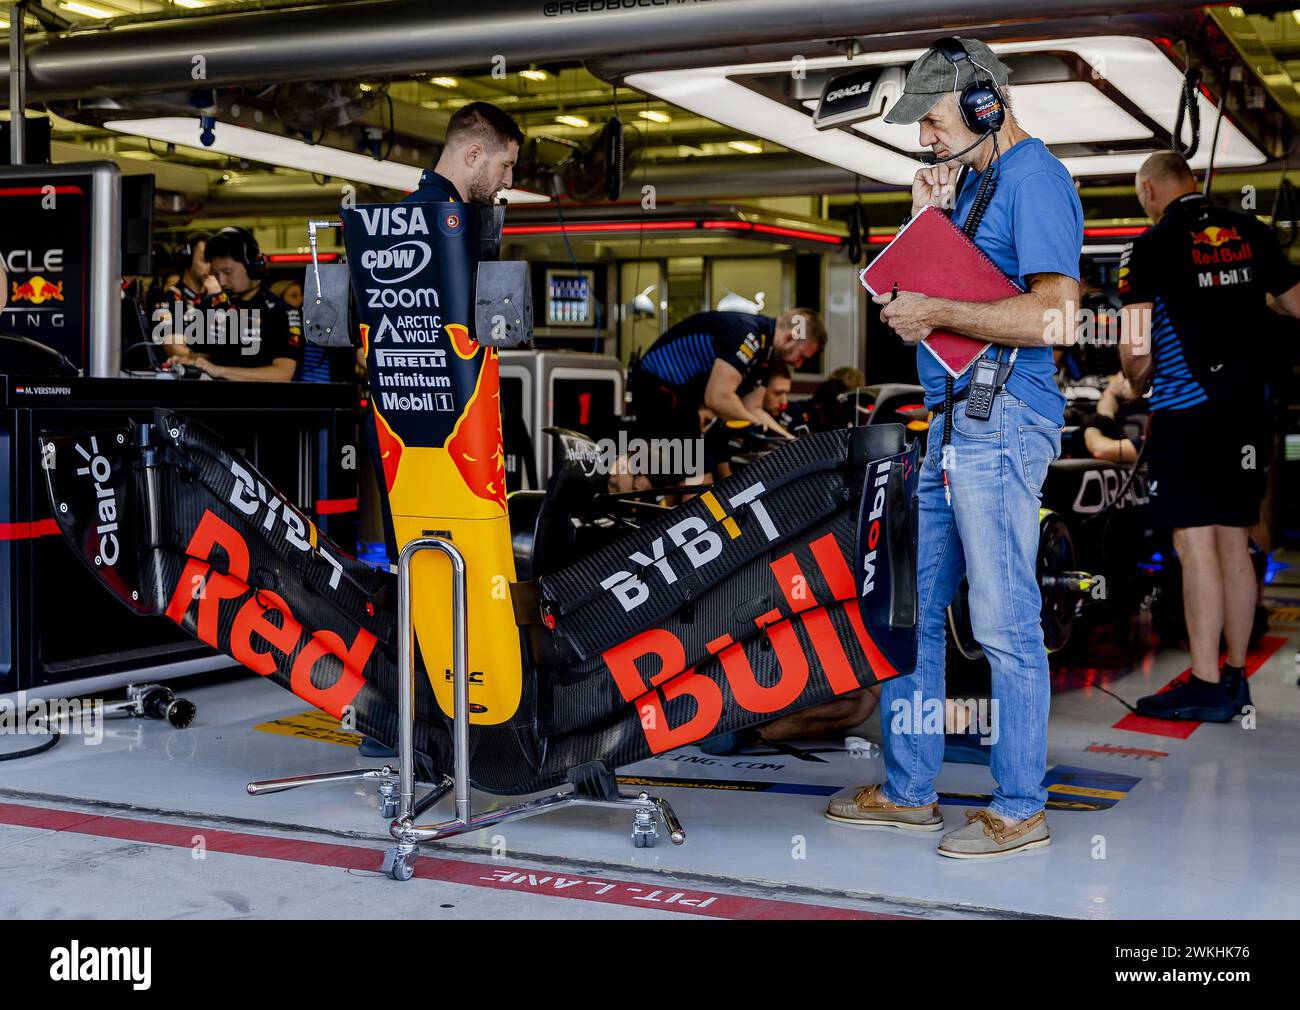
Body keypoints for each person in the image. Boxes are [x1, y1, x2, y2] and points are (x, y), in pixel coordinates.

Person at [828, 37, 1081, 859]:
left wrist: (934, 310)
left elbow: (1055, 316)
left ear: (985, 106)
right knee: (910, 613)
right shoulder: (976, 183)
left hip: (1001, 419)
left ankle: (1019, 806)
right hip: (948, 425)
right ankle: (909, 791)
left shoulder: (1036, 177)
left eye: (934, 121)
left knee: (1002, 621)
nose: (927, 138)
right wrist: (925, 218)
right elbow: (952, 282)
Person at [1117, 150, 1300, 720]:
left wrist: (1133, 377)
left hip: (1188, 414)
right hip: (1248, 413)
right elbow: (1296, 304)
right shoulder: (1253, 231)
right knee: (1235, 543)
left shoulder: (1148, 247)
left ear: (1149, 191)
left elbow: (1136, 347)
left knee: (1194, 544)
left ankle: (1202, 681)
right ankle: (1236, 676)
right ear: (1192, 181)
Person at [627, 307, 825, 480]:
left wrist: (790, 440)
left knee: (696, 473)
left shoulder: (767, 354)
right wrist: (761, 431)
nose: (798, 365)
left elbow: (752, 408)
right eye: (801, 356)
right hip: (657, 389)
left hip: (682, 399)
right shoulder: (749, 334)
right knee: (696, 476)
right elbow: (718, 398)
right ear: (790, 337)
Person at [164, 227, 303, 382]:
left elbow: (282, 374)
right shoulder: (210, 305)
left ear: (252, 266)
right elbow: (202, 355)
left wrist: (220, 371)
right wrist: (187, 362)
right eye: (216, 274)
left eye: (228, 272)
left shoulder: (281, 312)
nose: (221, 281)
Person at [403, 100, 523, 206]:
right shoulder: (431, 217)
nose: (508, 182)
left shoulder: (415, 213)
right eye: (505, 165)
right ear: (473, 155)